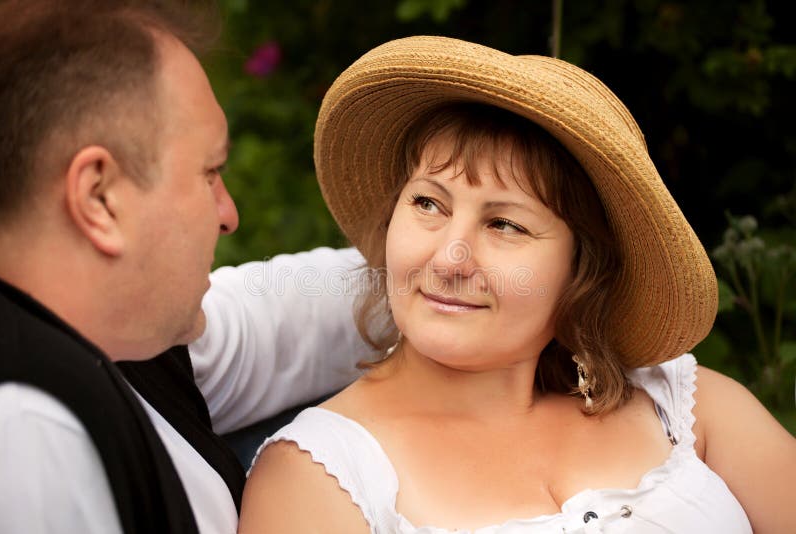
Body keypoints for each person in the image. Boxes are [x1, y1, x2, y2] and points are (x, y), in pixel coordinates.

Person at [240, 36, 796, 533]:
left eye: (504, 224)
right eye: (428, 203)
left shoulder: (676, 401)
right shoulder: (318, 478)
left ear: (582, 269)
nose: (450, 257)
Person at [0, 1, 367, 533]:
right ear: (99, 197)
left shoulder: (115, 330)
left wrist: (438, 273)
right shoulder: (26, 430)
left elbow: (280, 322)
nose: (229, 215)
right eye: (209, 171)